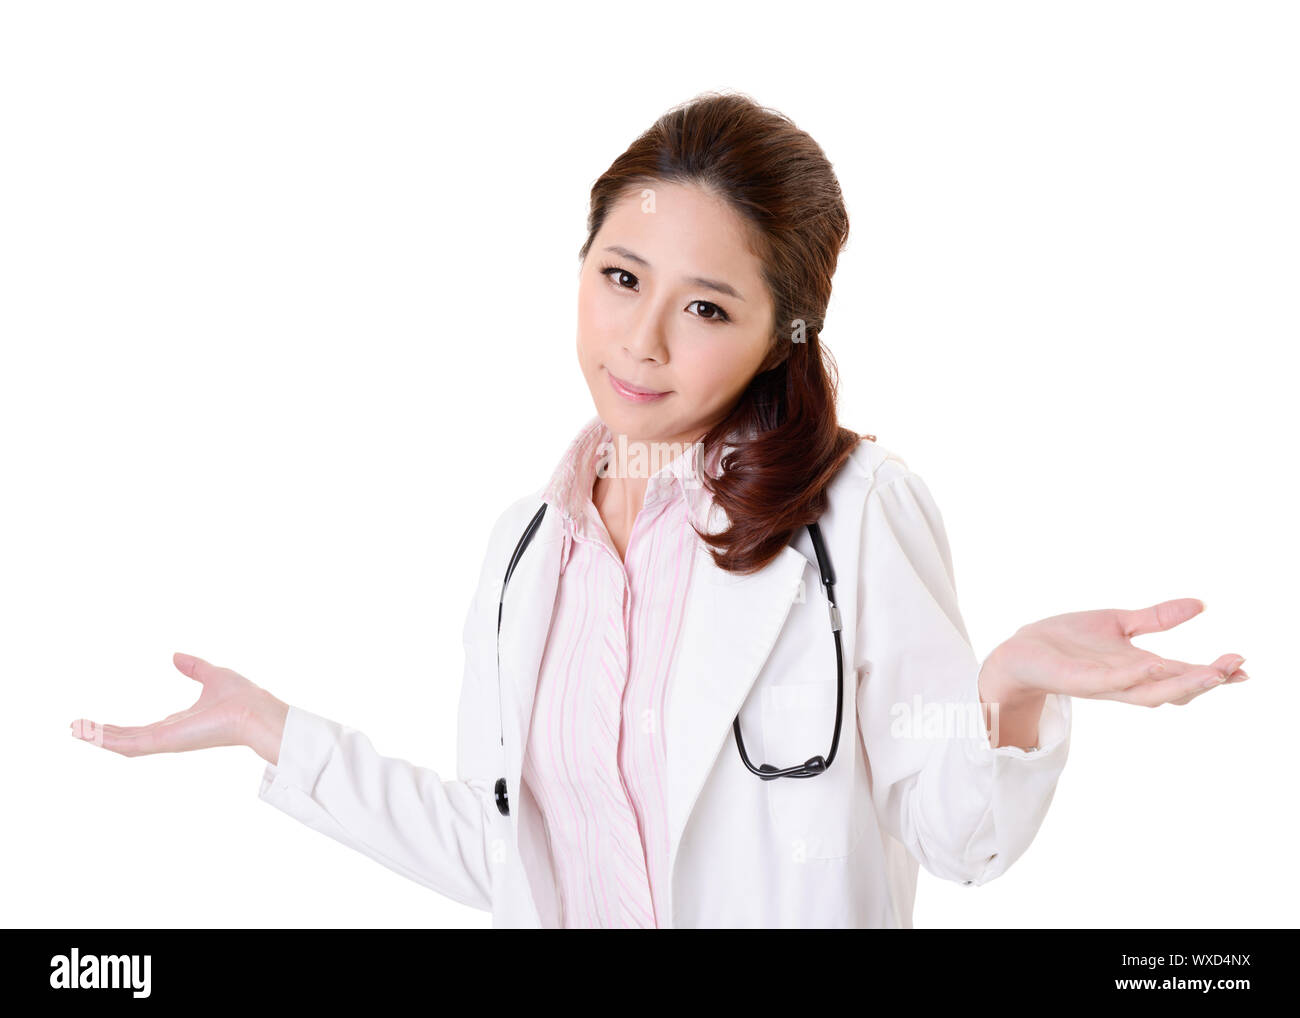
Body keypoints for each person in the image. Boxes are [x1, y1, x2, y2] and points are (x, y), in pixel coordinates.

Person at [70, 91, 1248, 928]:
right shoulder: (527, 547)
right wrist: (274, 731)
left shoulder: (855, 514)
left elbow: (958, 838)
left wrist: (1005, 691)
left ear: (780, 334)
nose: (639, 342)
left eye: (706, 308)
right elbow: (504, 849)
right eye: (620, 278)